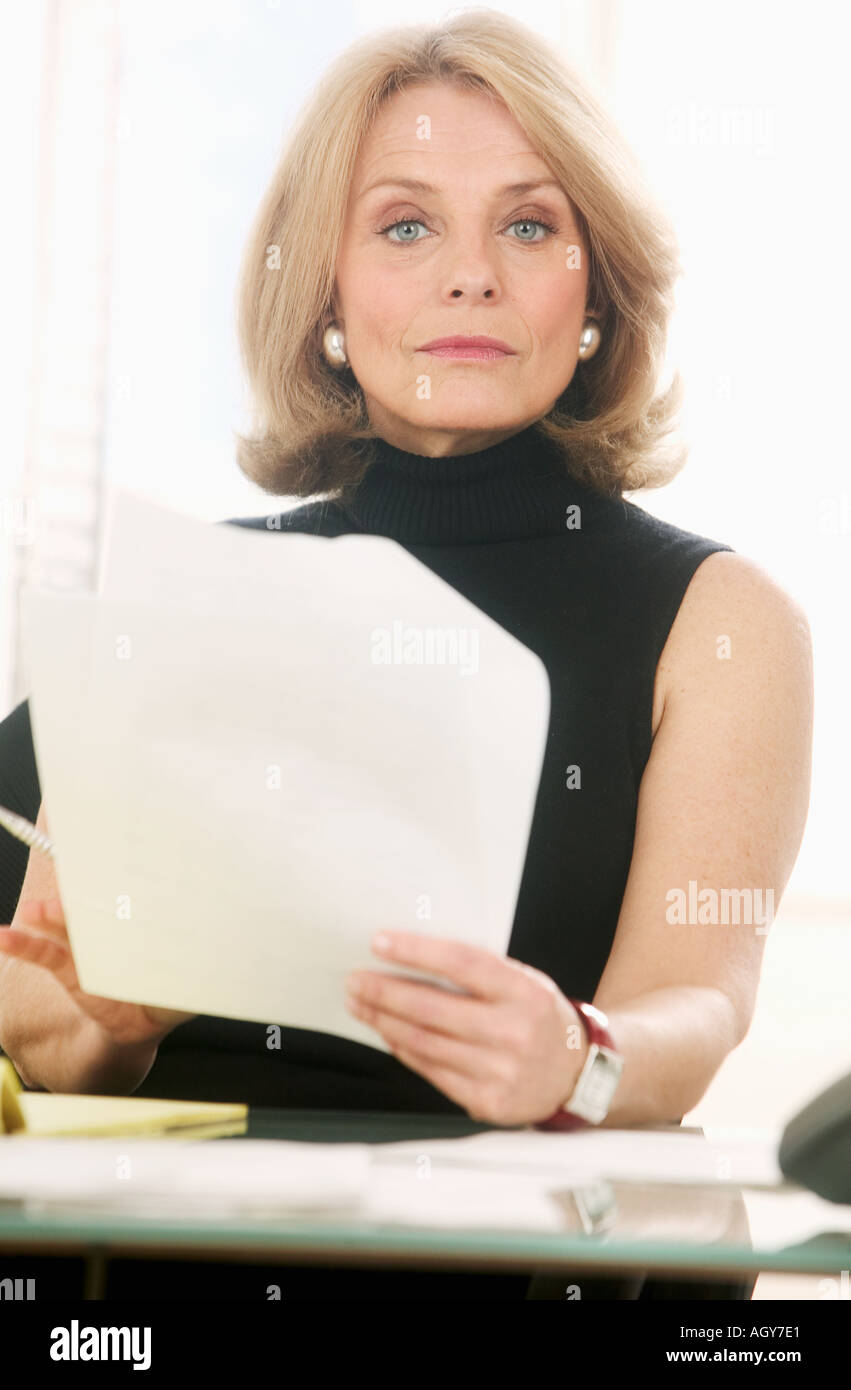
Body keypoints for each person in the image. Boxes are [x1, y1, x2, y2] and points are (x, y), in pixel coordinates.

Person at [0, 12, 812, 1300]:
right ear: (324, 290)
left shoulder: (722, 617)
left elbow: (695, 1007)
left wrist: (576, 1056)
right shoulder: (192, 589)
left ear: (597, 294)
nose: (472, 275)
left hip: (514, 1256)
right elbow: (36, 1015)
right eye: (406, 224)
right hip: (165, 1256)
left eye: (531, 225)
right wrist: (101, 1025)